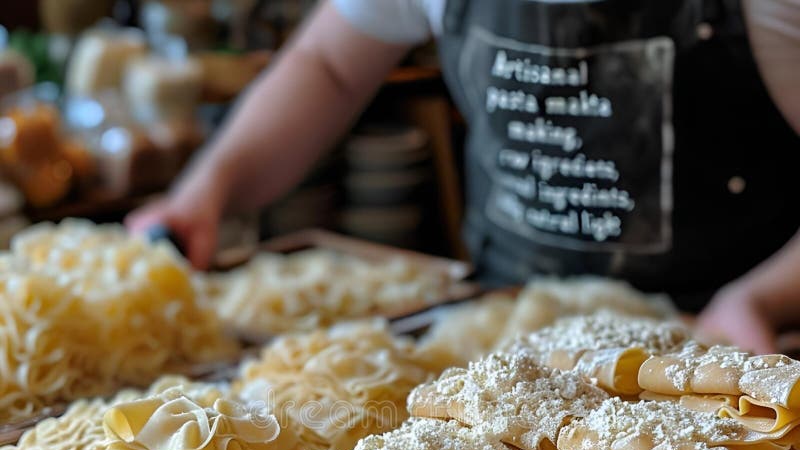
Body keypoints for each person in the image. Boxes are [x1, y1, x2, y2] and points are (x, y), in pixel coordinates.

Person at [127, 0, 800, 354]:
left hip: (724, 340)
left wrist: (759, 300)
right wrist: (207, 189)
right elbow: (327, 66)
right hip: (507, 327)